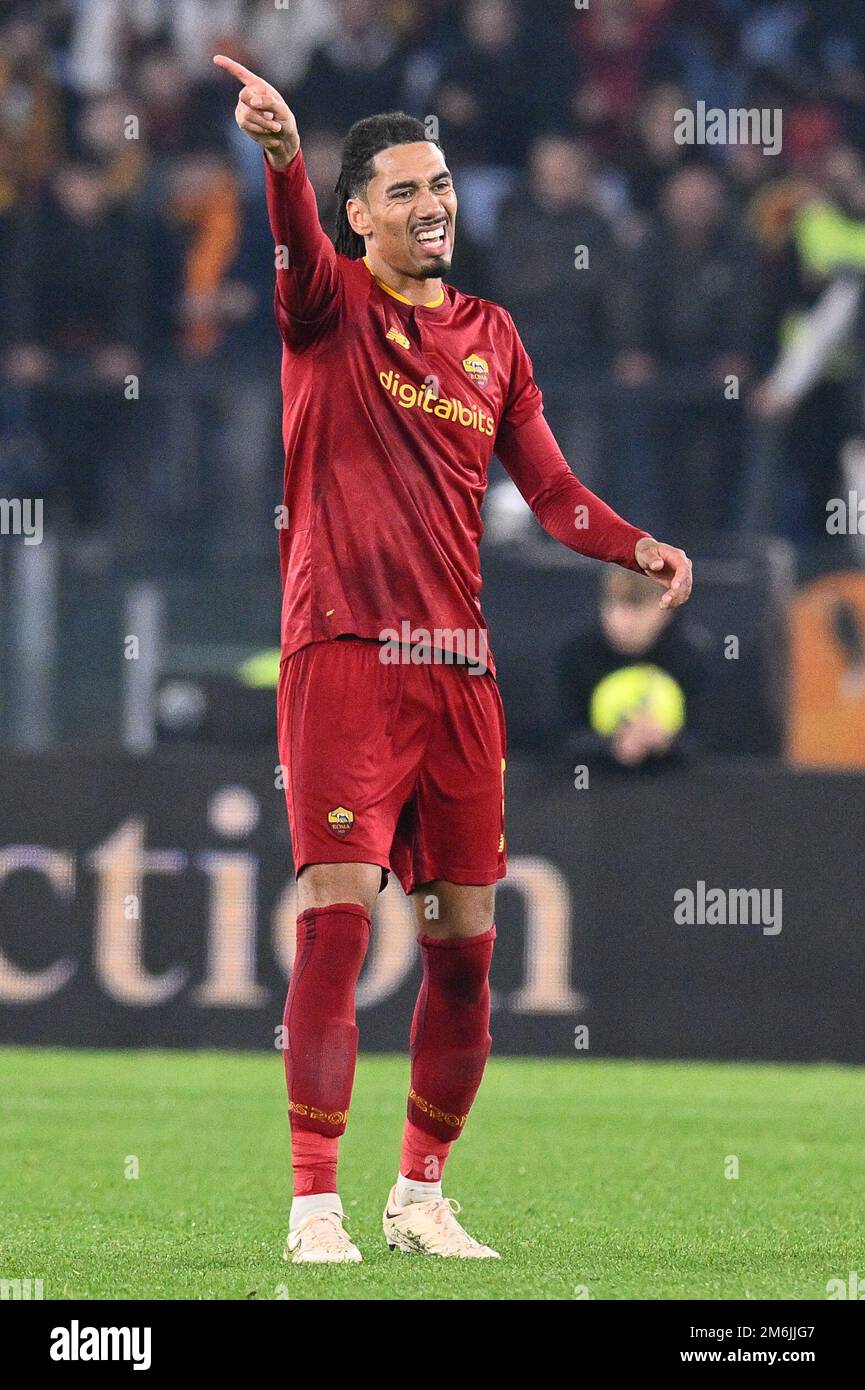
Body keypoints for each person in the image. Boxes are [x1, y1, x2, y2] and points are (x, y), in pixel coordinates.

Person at [213, 52, 693, 1264]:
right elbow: (292, 249)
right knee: (335, 927)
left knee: (466, 959)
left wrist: (633, 545)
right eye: (406, 188)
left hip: (457, 671)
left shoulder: (492, 333)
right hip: (345, 655)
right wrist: (279, 157)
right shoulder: (324, 308)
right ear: (357, 212)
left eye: (443, 184)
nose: (436, 203)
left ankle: (419, 1193)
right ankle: (312, 1205)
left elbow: (552, 491)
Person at [558, 567, 709, 774]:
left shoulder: (691, 657)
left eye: (637, 607)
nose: (622, 619)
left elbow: (711, 741)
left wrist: (666, 742)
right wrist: (611, 745)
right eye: (614, 604)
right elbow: (559, 737)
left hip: (675, 792)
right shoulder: (577, 654)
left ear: (667, 610)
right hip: (593, 793)